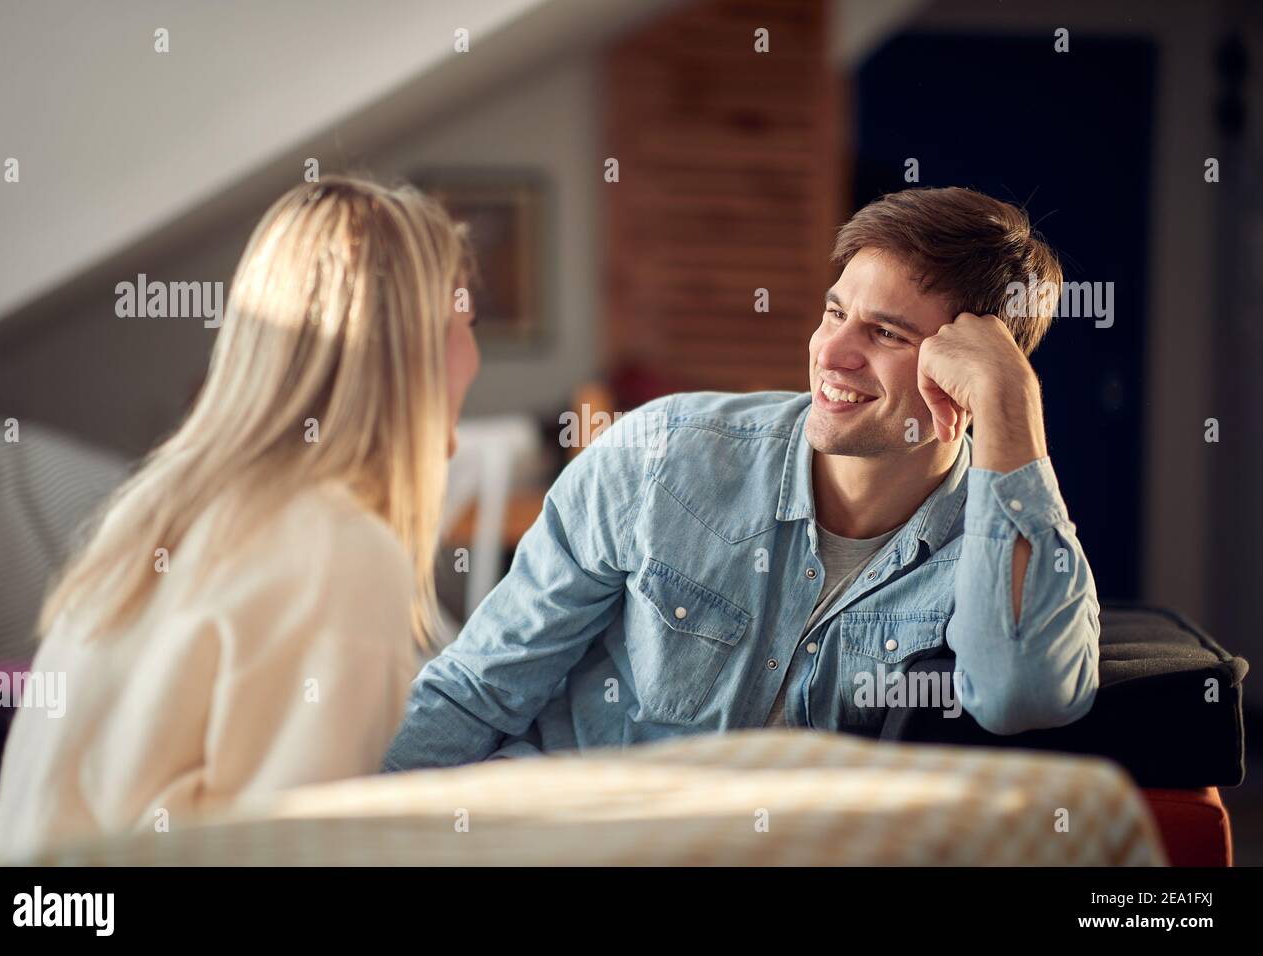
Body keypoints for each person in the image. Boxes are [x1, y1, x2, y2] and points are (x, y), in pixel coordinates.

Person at [384, 186, 1099, 771]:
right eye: (833, 312)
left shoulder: (1003, 544)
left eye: (885, 334)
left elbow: (1020, 693)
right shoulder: (661, 457)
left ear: (965, 370)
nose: (831, 354)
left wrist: (1011, 400)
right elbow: (478, 691)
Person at [0, 175, 479, 861]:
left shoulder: (156, 508)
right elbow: (304, 854)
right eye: (466, 324)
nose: (475, 357)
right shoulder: (340, 548)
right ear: (413, 348)